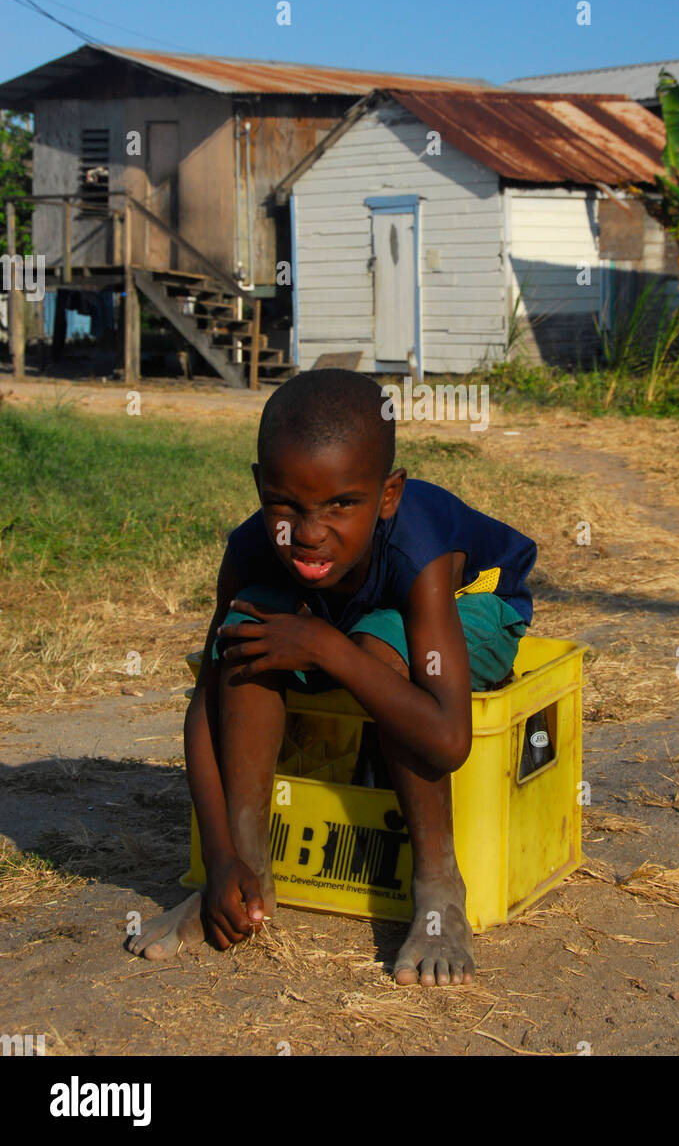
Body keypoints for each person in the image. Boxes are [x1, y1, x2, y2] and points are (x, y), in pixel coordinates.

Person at [127, 369, 536, 986]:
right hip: (344, 618)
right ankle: (251, 873)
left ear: (388, 494)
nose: (310, 533)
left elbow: (448, 738)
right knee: (248, 632)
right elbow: (204, 707)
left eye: (342, 504)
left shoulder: (420, 550)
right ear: (260, 488)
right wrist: (218, 861)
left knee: (377, 646)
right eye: (285, 506)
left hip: (477, 606)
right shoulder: (251, 549)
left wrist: (325, 648)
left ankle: (439, 892)